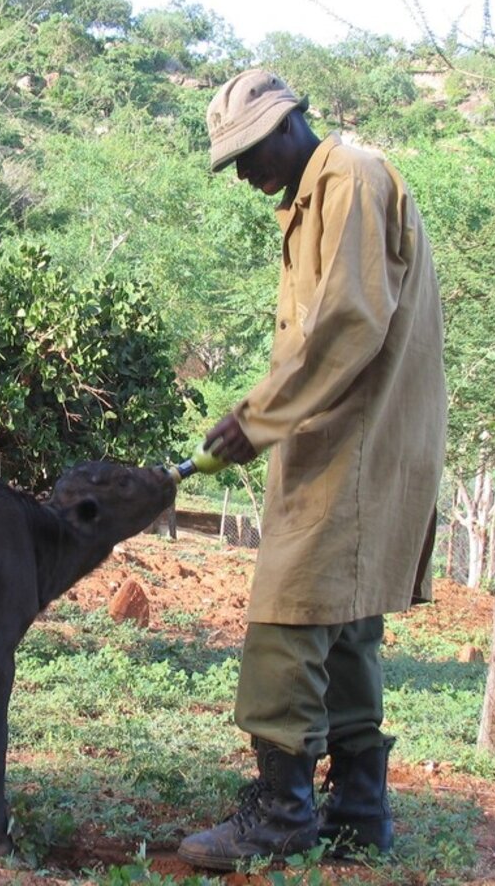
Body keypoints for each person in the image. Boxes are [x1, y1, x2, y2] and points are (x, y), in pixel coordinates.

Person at [176, 69, 447, 871]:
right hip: (352, 441)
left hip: (355, 443)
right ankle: (360, 810)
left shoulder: (350, 178)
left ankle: (281, 812)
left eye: (252, 151)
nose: (247, 173)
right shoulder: (318, 194)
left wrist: (254, 420)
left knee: (288, 613)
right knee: (347, 619)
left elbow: (347, 322)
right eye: (234, 161)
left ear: (290, 123)